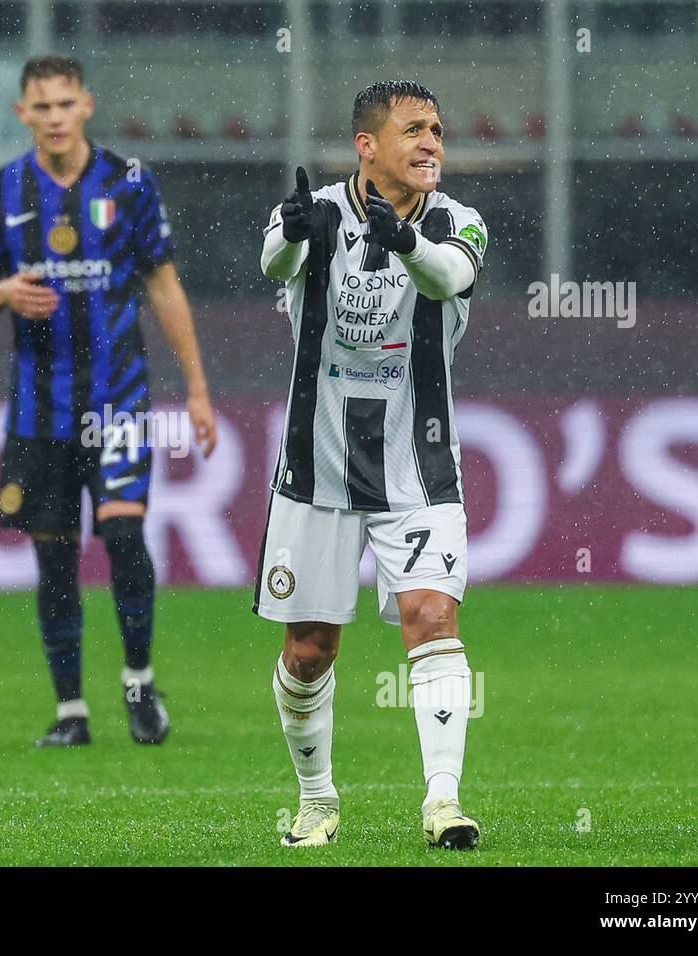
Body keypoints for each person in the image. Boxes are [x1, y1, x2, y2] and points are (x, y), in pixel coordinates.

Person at [0, 56, 218, 747]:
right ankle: (71, 710)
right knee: (54, 558)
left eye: (64, 104)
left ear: (86, 107)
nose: (53, 118)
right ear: (22, 114)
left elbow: (163, 284)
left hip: (120, 402)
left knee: (127, 535)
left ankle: (138, 680)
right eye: (40, 107)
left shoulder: (129, 183)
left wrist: (196, 389)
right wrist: (4, 294)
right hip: (39, 409)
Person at [257, 81, 488, 848]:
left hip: (417, 467)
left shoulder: (459, 222)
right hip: (314, 465)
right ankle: (318, 800)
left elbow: (449, 276)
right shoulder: (314, 211)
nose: (432, 144)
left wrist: (403, 241)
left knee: (431, 618)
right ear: (367, 145)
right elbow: (272, 262)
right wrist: (292, 234)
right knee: (309, 648)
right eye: (415, 130)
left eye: (439, 130)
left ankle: (444, 805)